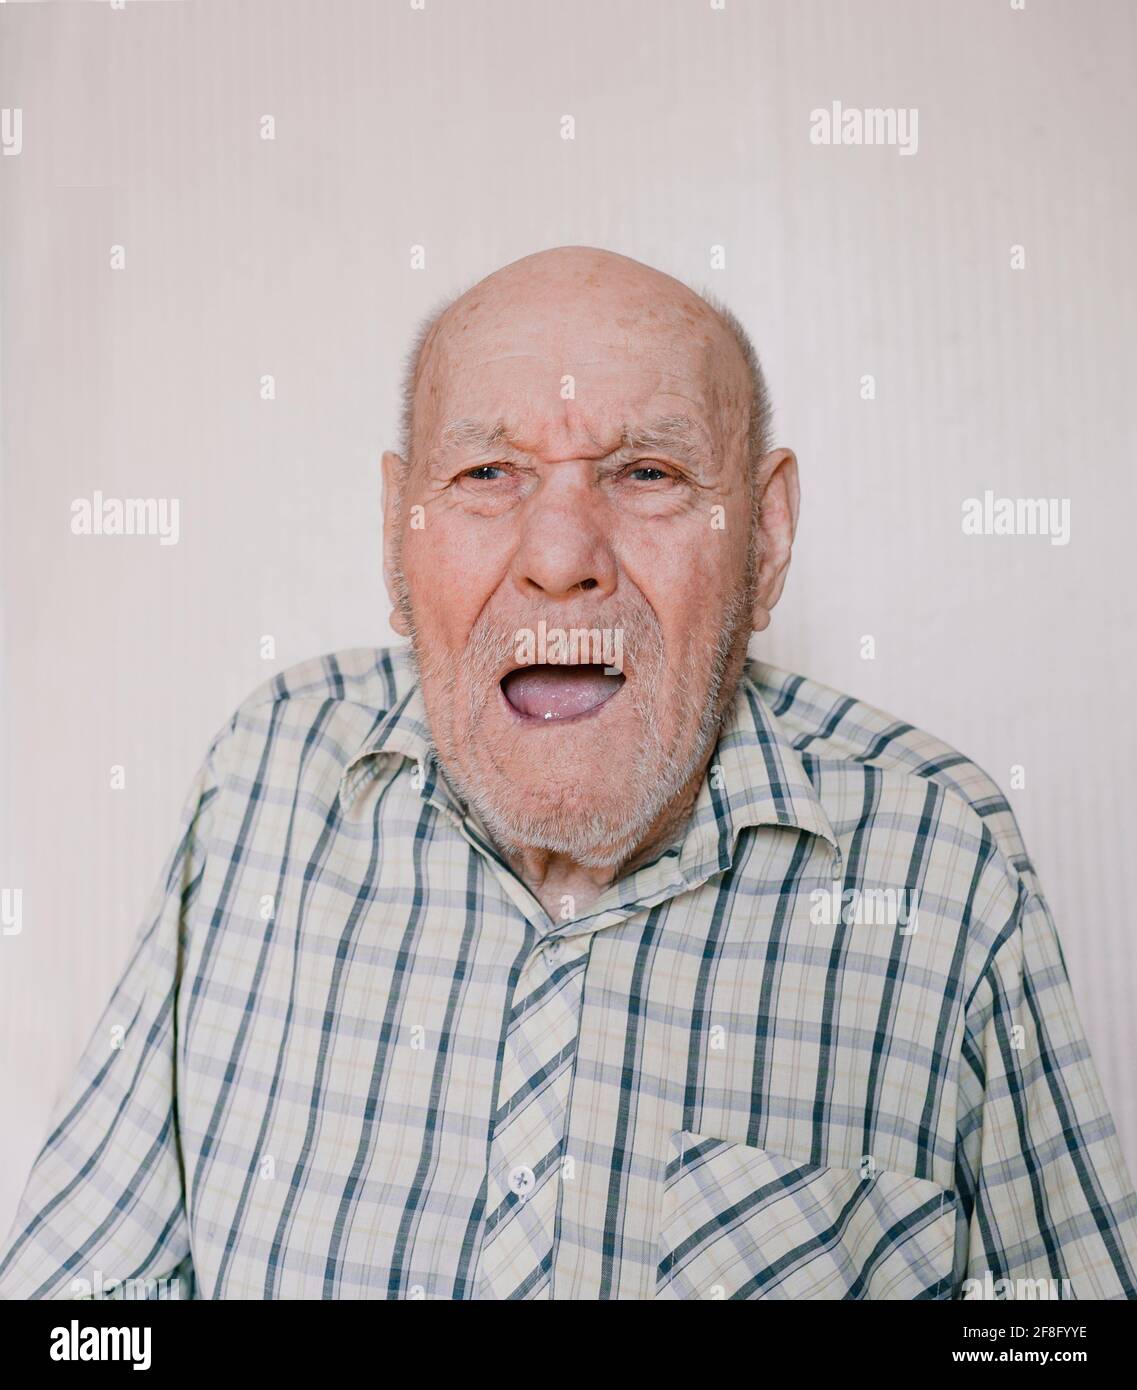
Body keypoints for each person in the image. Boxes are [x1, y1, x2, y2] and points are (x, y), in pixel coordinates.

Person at [2, 246, 1134, 1299]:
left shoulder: (941, 862)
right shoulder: (269, 774)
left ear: (767, 538)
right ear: (400, 533)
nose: (559, 559)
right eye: (488, 472)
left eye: (647, 472)